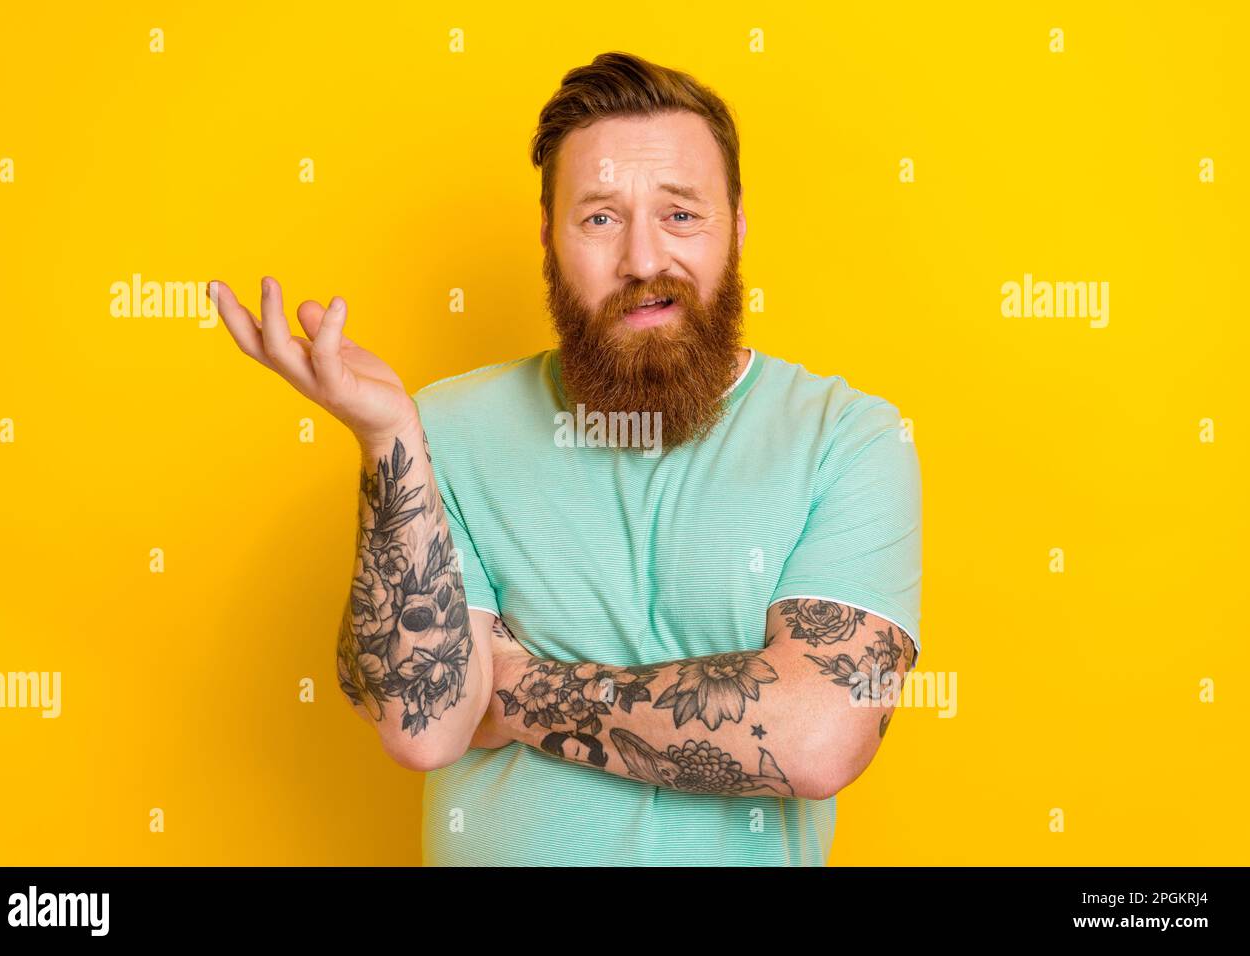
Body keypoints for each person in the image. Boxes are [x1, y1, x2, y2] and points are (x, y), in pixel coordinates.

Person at [209, 51, 922, 866]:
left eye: (681, 214)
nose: (644, 259)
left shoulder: (849, 439)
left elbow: (816, 738)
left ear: (738, 224)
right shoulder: (442, 430)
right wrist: (385, 440)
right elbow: (423, 723)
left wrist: (509, 689)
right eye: (600, 218)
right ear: (549, 240)